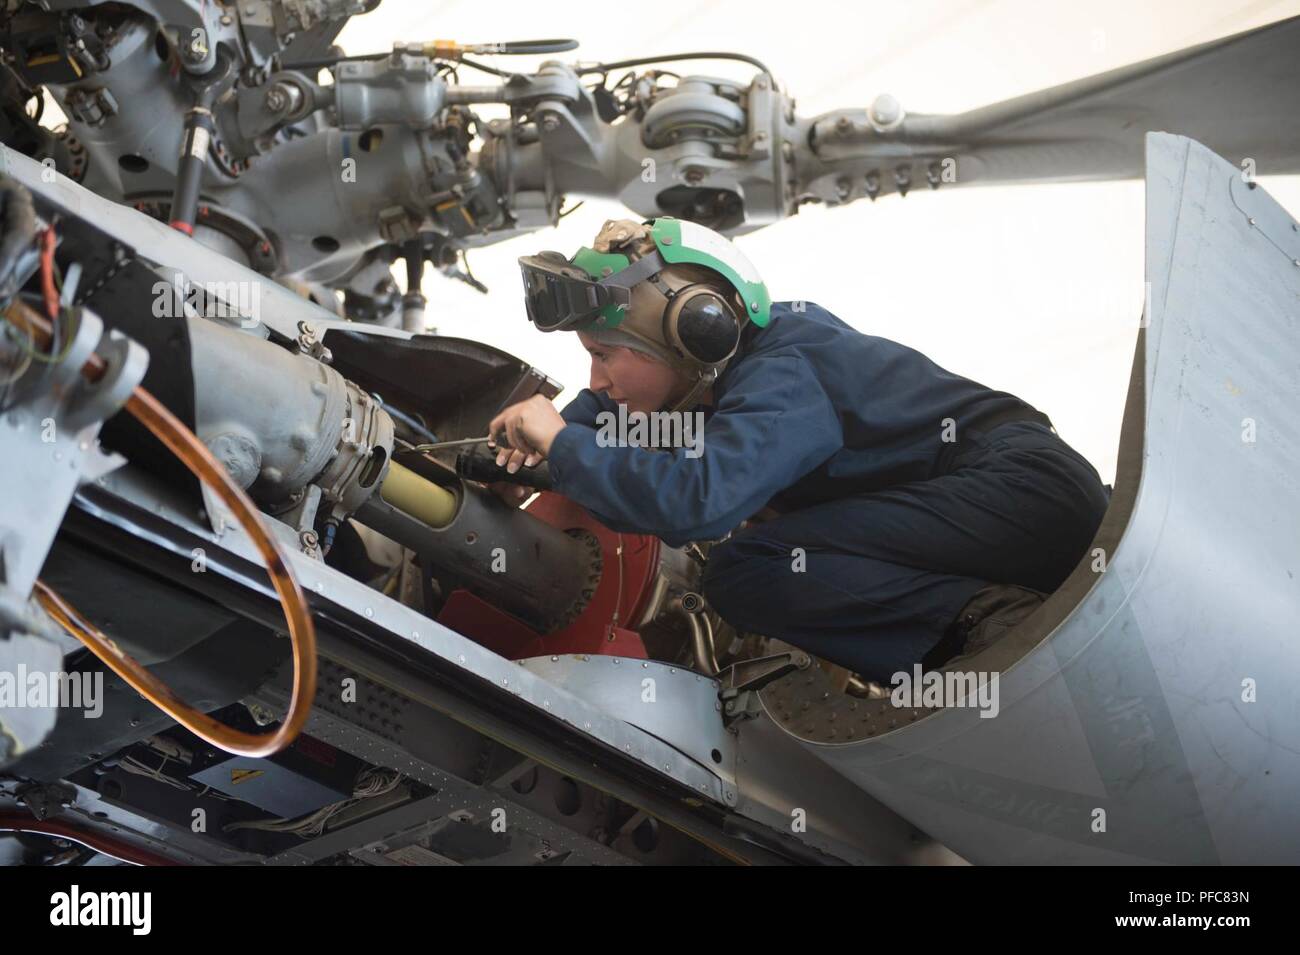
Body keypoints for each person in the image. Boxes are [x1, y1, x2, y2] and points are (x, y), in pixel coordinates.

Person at [487, 216, 1111, 682]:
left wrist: (565, 448)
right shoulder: (715, 382)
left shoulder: (781, 372)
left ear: (694, 333)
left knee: (750, 568)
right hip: (1000, 508)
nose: (595, 380)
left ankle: (989, 625)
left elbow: (696, 505)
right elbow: (615, 420)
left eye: (604, 355)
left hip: (1024, 494)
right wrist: (535, 455)